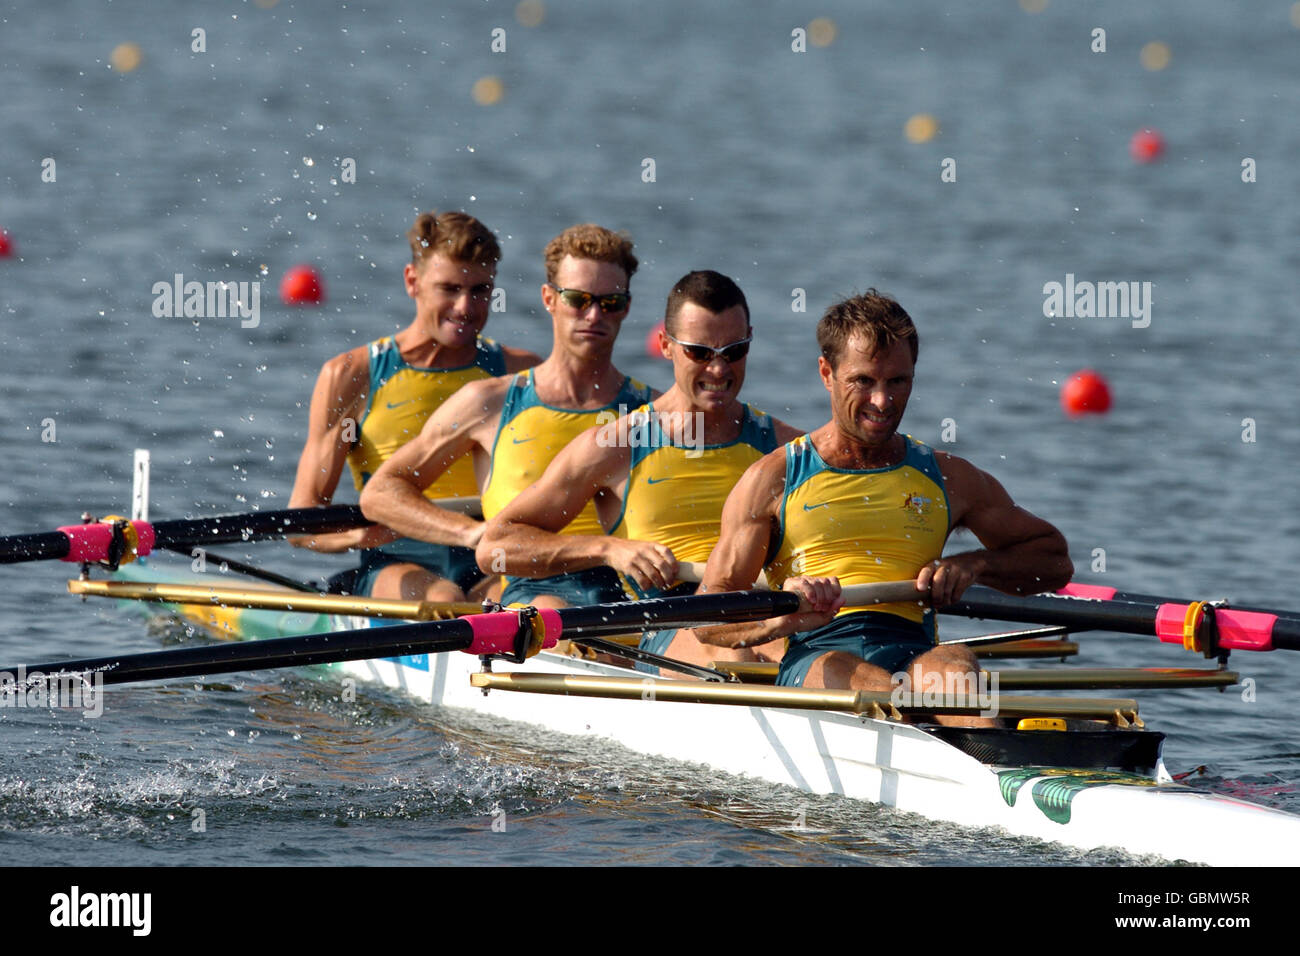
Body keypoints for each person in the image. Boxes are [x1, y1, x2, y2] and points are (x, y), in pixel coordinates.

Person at [688, 291, 1072, 722]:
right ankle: (928, 731)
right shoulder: (773, 479)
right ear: (826, 373)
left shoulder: (948, 478)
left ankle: (995, 759)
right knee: (876, 688)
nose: (882, 401)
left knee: (953, 664)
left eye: (897, 382)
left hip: (914, 651)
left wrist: (975, 565)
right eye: (863, 381)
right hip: (818, 656)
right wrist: (782, 617)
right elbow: (708, 617)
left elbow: (1054, 561)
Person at [477, 270, 803, 667]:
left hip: (764, 615)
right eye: (700, 353)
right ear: (665, 345)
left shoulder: (787, 447)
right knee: (731, 655)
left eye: (733, 351)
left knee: (807, 653)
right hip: (668, 625)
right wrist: (607, 549)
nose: (719, 370)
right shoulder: (616, 446)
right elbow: (495, 546)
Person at [360, 223, 653, 609]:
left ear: (627, 307)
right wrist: (470, 533)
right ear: (549, 299)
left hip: (628, 593)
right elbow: (381, 493)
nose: (594, 315)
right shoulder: (489, 403)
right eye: (578, 300)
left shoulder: (652, 414)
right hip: (528, 585)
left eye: (610, 302)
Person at [288, 211, 539, 602]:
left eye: (480, 291)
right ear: (412, 281)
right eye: (449, 289)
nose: (465, 308)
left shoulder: (520, 373)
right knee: (443, 600)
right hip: (398, 560)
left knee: (526, 608)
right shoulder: (353, 375)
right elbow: (301, 522)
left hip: (495, 557)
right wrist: (357, 536)